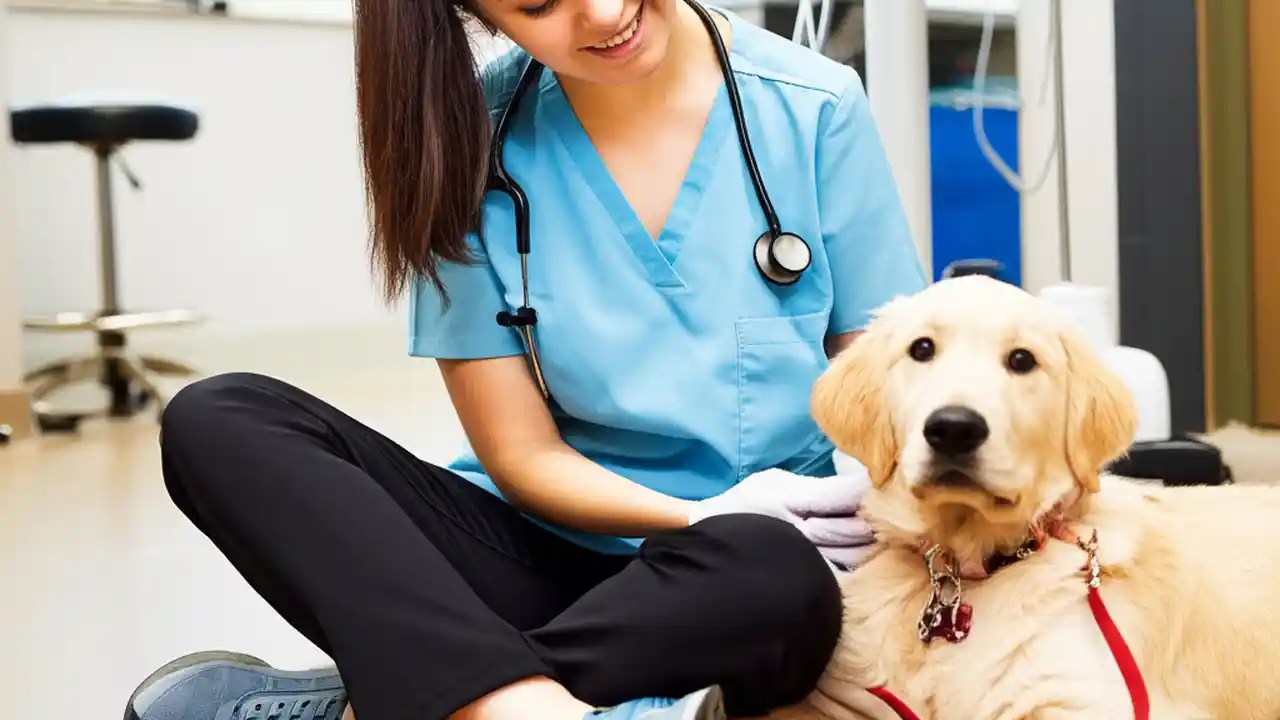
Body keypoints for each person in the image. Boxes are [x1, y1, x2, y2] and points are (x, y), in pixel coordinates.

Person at [122, 0, 928, 716]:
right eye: (541, 3)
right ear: (478, 15)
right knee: (218, 417)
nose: (606, 13)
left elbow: (893, 384)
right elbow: (521, 454)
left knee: (773, 576)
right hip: (542, 554)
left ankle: (407, 689)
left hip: (743, 566)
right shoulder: (464, 141)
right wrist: (692, 515)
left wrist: (792, 514)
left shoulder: (815, 106)